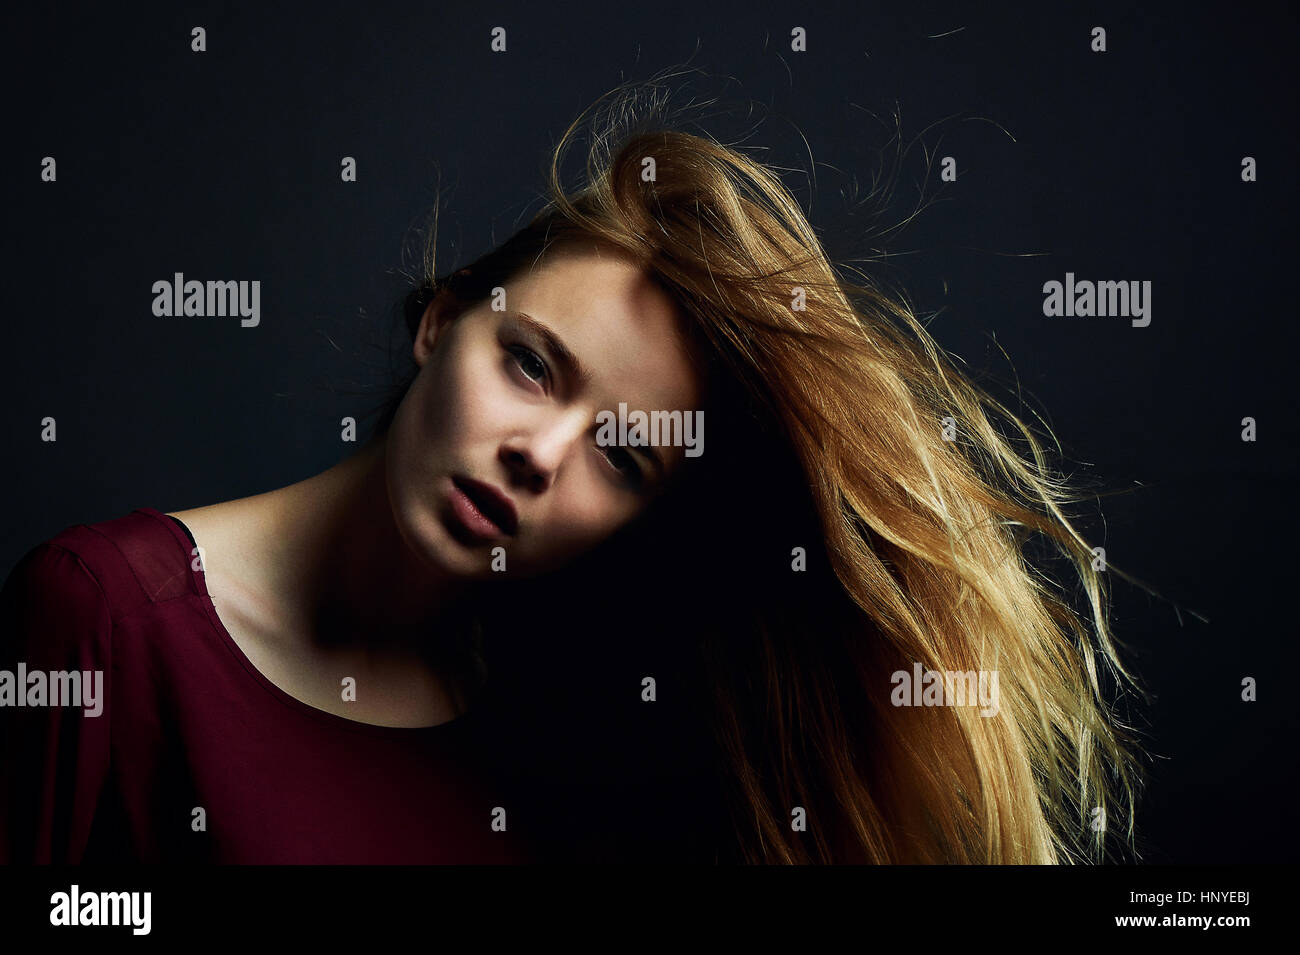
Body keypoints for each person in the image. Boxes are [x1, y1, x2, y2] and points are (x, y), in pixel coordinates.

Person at [0, 82, 1146, 864]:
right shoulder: (105, 618)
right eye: (532, 365)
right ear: (440, 321)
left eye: (622, 455)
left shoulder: (575, 730)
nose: (538, 456)